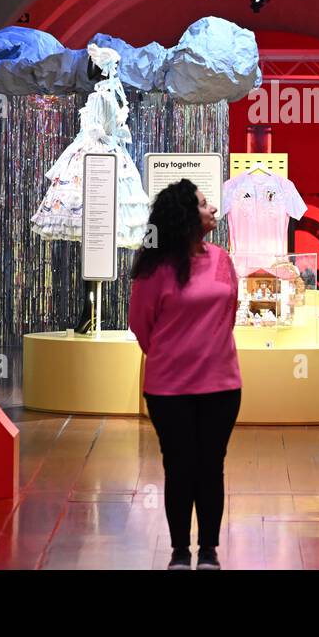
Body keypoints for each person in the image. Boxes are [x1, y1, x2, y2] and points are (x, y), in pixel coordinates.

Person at [128, 179, 242, 570]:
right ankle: (180, 552)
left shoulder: (222, 259)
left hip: (222, 386)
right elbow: (141, 325)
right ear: (185, 215)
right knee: (178, 465)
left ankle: (208, 551)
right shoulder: (154, 269)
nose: (212, 210)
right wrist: (174, 356)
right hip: (169, 390)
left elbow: (230, 310)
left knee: (211, 465)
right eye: (204, 203)